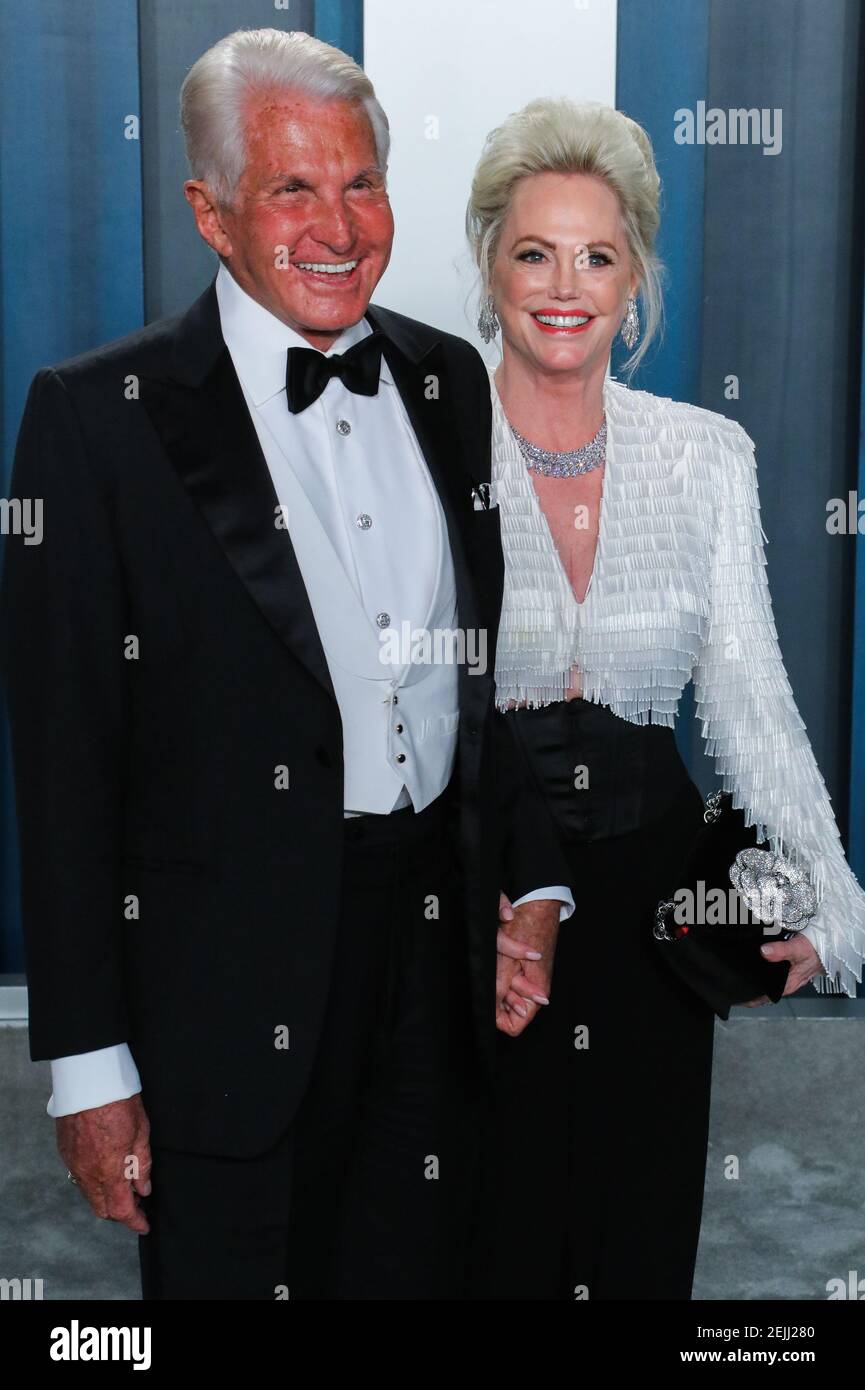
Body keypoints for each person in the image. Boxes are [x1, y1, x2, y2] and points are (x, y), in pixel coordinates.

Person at [0, 30, 574, 1301]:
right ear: (209, 211)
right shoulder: (96, 423)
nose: (338, 225)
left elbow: (472, 679)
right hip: (220, 995)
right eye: (290, 189)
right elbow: (64, 767)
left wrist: (526, 876)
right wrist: (89, 1068)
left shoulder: (442, 380)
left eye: (360, 182)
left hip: (432, 970)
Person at [464, 98, 865, 1300]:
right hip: (476, 893)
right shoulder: (421, 440)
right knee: (487, 1234)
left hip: (648, 899)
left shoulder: (705, 455)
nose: (564, 284)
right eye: (534, 250)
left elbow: (751, 700)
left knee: (636, 1240)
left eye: (597, 253)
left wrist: (831, 901)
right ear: (489, 263)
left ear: (637, 275)